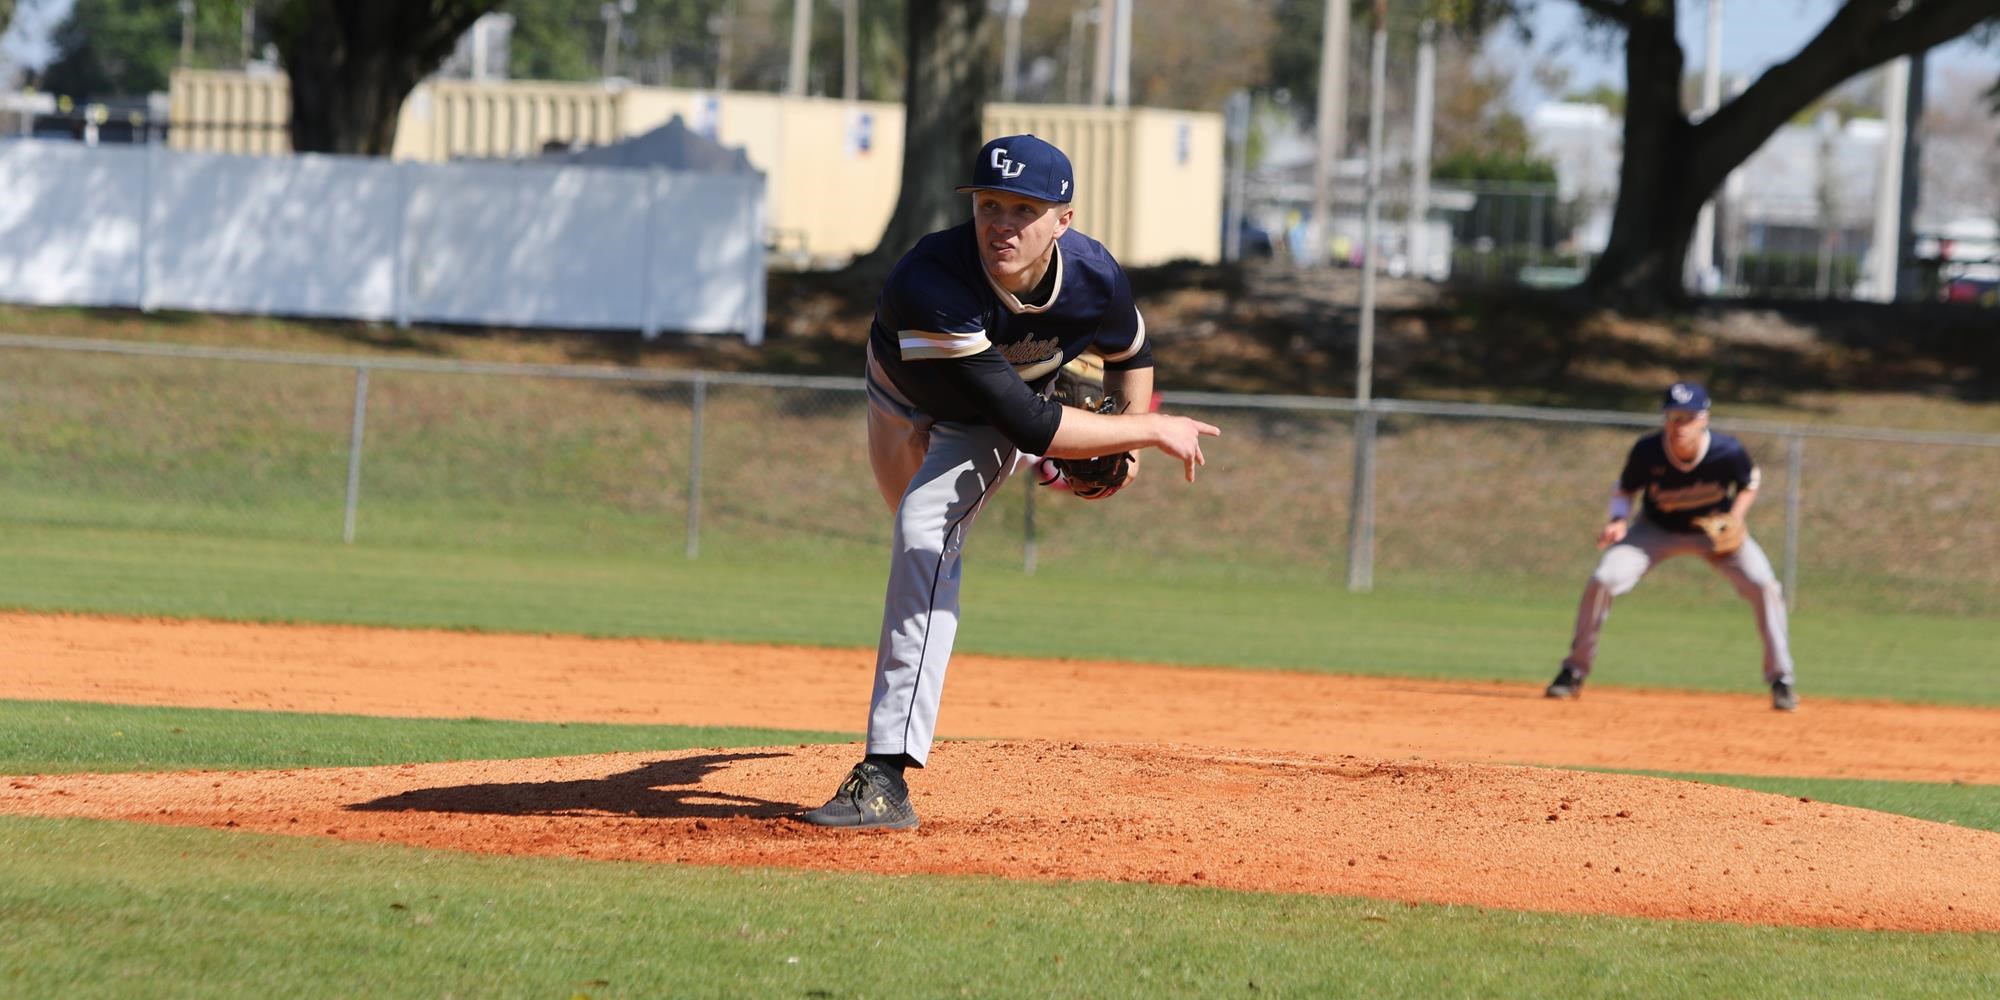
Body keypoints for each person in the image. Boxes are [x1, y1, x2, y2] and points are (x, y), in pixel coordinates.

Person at [799, 134, 1222, 830]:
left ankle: (885, 778)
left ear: (1064, 219)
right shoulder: (933, 278)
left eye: (1025, 209)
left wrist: (1134, 427)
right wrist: (1147, 430)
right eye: (989, 204)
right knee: (912, 521)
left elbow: (1131, 350)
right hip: (903, 398)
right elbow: (1030, 422)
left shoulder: (1094, 277)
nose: (1002, 223)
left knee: (925, 531)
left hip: (986, 422)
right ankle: (1051, 468)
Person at [1547, 381, 1799, 711]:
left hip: (1714, 535)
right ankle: (1573, 670)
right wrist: (1618, 519)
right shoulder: (1648, 451)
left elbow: (1749, 483)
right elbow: (1624, 489)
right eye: (1673, 416)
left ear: (1704, 418)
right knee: (1604, 579)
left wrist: (1735, 519)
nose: (1680, 424)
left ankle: (1782, 681)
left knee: (1764, 585)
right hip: (1655, 530)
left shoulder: (1727, 451)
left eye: (1689, 416)